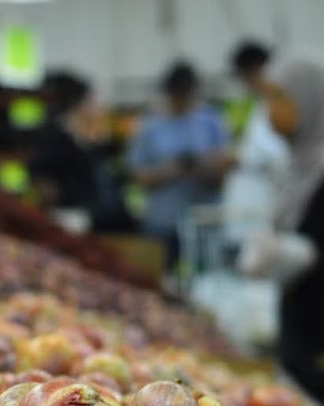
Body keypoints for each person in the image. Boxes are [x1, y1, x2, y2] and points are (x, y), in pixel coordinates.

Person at [232, 46, 324, 406]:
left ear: (312, 101)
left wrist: (306, 256)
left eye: (280, 98)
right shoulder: (300, 166)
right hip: (301, 329)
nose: (270, 110)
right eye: (268, 98)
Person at [127, 60, 231, 263]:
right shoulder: (150, 126)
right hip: (162, 222)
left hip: (203, 221)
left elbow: (223, 170)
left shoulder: (210, 121)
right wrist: (174, 168)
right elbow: (139, 177)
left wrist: (202, 166)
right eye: (177, 94)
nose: (182, 101)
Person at [28, 70, 131, 234]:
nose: (96, 108)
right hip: (76, 218)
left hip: (102, 217)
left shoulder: (90, 138)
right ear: (78, 104)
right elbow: (41, 178)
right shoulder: (55, 139)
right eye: (91, 102)